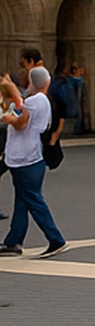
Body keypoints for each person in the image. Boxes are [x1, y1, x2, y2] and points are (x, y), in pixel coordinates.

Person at [0, 68, 65, 258]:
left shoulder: (33, 101)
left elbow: (21, 123)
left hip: (24, 157)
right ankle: (13, 241)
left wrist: (10, 117)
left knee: (33, 200)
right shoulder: (42, 100)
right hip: (30, 156)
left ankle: (56, 239)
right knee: (23, 200)